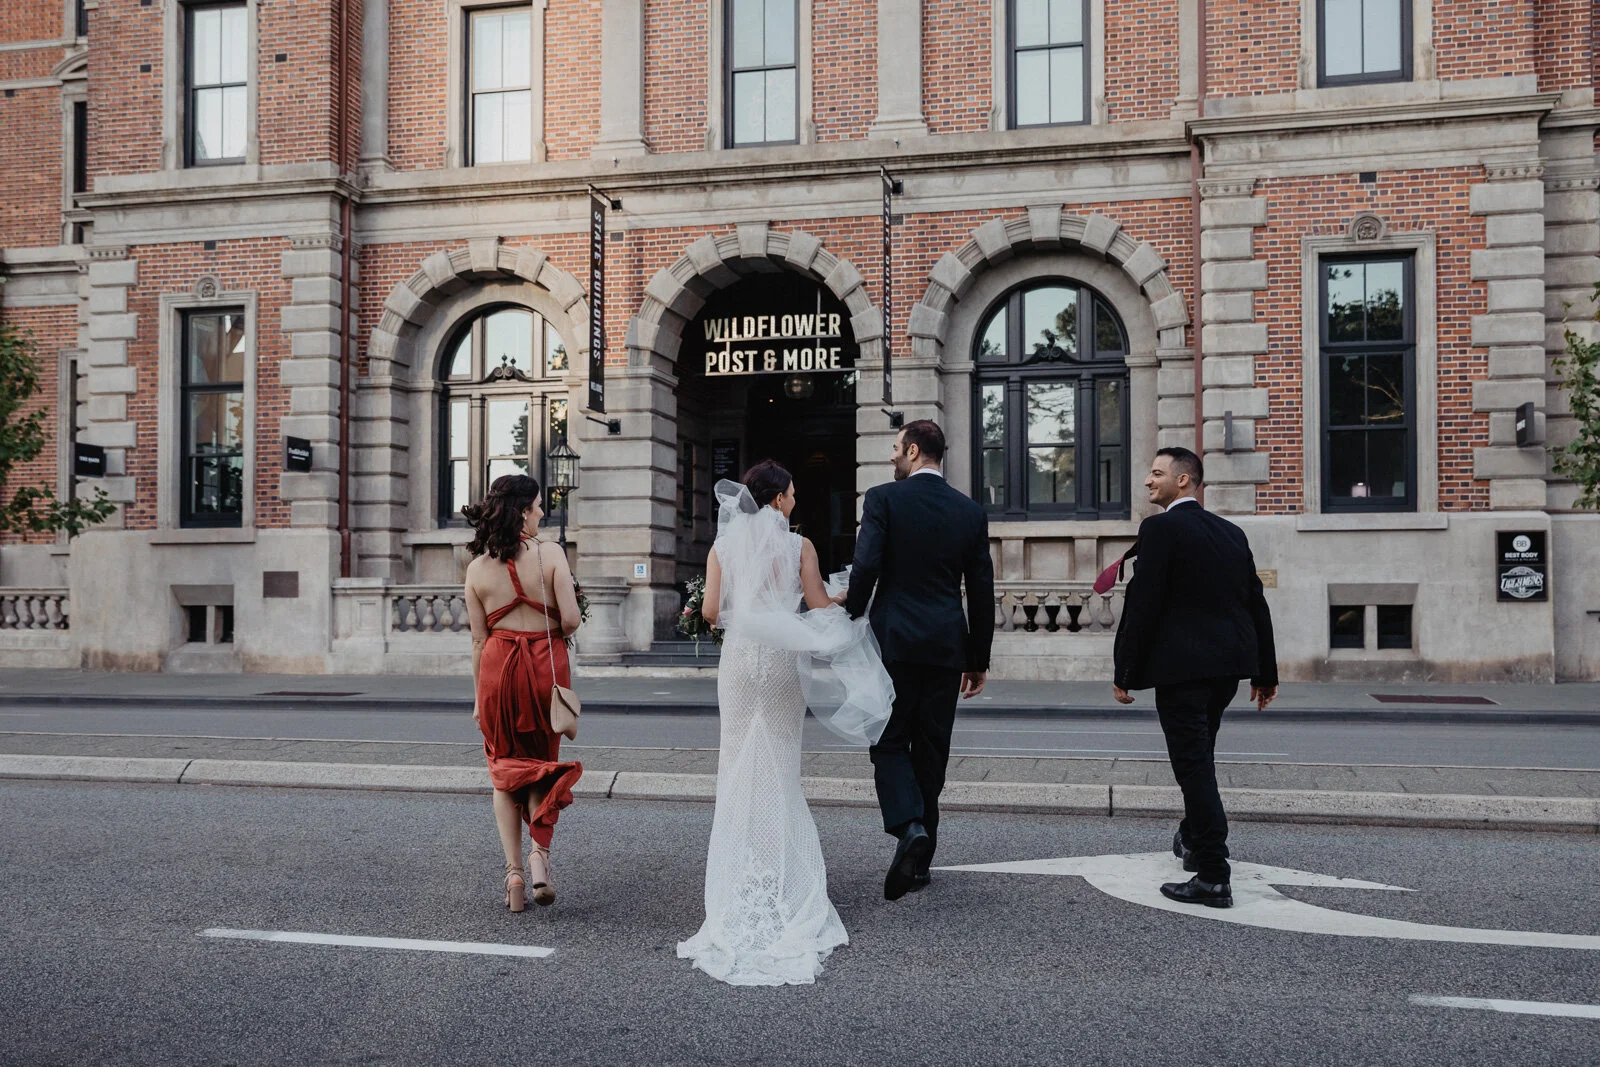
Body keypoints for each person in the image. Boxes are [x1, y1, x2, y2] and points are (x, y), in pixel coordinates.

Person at [677, 460, 895, 986]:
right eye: (793, 493)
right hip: (780, 665)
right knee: (778, 767)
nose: (796, 500)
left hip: (739, 665)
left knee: (736, 768)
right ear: (776, 500)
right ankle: (779, 879)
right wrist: (840, 600)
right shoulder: (799, 547)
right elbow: (817, 605)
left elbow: (710, 612)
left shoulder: (723, 548)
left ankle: (738, 884)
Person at [1112, 446, 1278, 909]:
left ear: (1184, 481)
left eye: (1156, 472)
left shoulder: (1160, 529)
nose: (1148, 480)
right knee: (1201, 756)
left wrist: (1124, 669)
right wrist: (1266, 672)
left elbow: (1143, 603)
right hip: (1228, 669)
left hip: (1183, 672)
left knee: (1194, 769)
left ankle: (1213, 873)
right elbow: (1255, 604)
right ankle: (1190, 838)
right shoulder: (1230, 532)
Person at [843, 420, 995, 901]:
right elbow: (983, 591)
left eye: (894, 449)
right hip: (948, 644)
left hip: (895, 642)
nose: (892, 458)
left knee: (888, 741)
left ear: (912, 450)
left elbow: (866, 565)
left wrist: (849, 613)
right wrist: (978, 657)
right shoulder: (969, 511)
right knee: (932, 749)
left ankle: (910, 827)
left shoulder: (884, 498)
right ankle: (921, 862)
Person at [462, 474, 583, 912]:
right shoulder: (550, 554)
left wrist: (480, 697)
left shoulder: (475, 569)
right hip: (541, 669)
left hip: (497, 672)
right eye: (536, 506)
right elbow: (569, 621)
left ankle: (513, 875)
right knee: (540, 766)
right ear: (521, 511)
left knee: (505, 771)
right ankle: (539, 858)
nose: (541, 513)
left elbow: (477, 640)